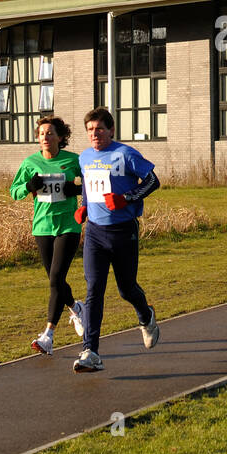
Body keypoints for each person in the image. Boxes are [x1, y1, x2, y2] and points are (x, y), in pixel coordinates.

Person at [71, 107, 162, 373]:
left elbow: (153, 180)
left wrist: (127, 198)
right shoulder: (86, 157)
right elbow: (90, 185)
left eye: (99, 129)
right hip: (95, 234)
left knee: (126, 289)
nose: (94, 134)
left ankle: (146, 316)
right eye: (90, 130)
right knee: (93, 290)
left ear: (111, 130)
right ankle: (91, 351)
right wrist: (85, 206)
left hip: (124, 231)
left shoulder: (125, 154)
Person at [10, 116, 87, 355]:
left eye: (50, 133)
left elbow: (92, 184)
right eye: (41, 133)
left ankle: (48, 335)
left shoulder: (73, 160)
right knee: (55, 280)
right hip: (42, 227)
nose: (45, 137)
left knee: (55, 277)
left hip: (68, 225)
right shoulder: (30, 162)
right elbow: (14, 192)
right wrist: (28, 187)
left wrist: (74, 189)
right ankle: (75, 308)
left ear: (60, 137)